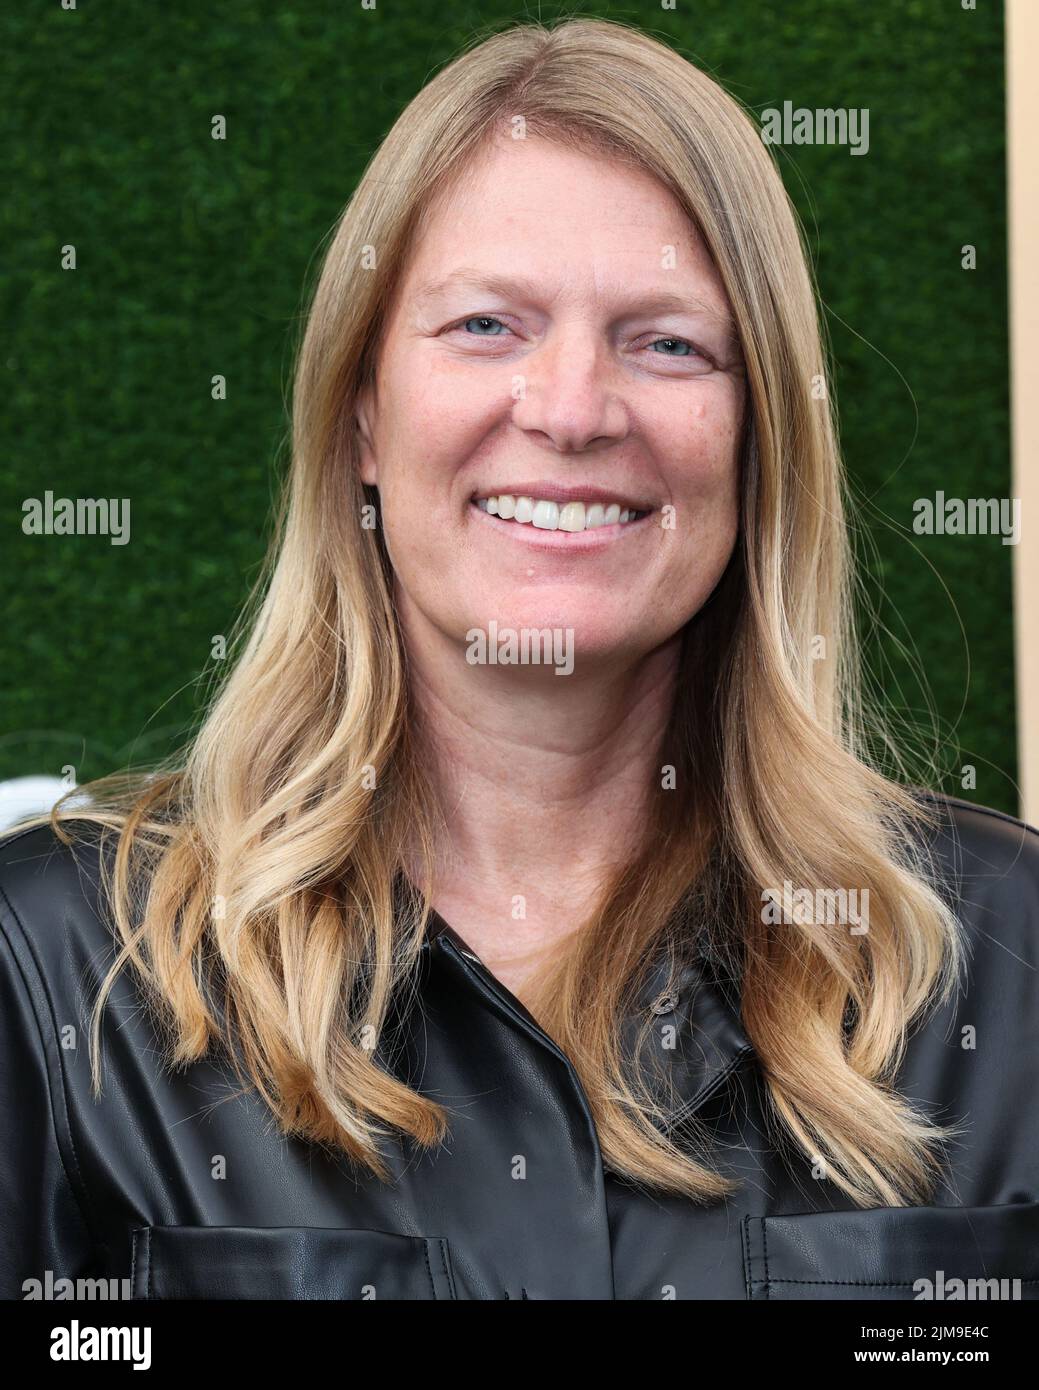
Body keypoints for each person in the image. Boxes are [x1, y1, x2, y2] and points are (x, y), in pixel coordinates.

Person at [1, 15, 1037, 1303]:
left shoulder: (1002, 951)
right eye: (488, 325)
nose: (568, 408)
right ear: (365, 414)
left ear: (759, 438)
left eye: (667, 342)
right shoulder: (52, 966)